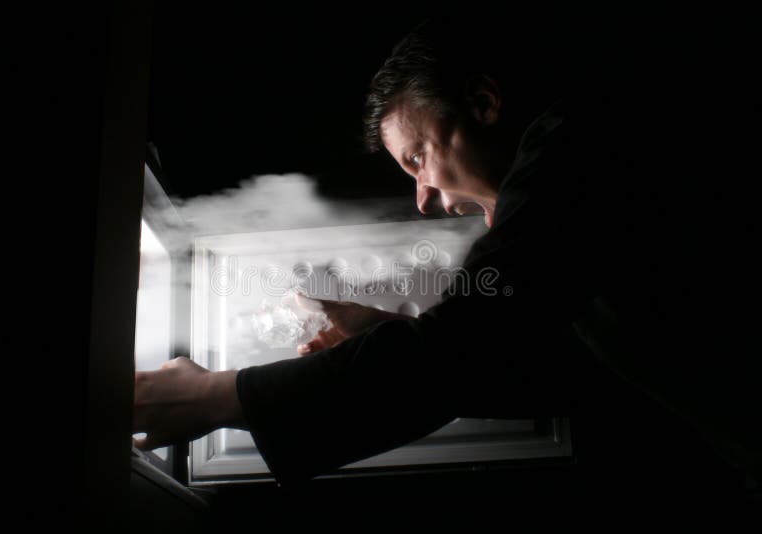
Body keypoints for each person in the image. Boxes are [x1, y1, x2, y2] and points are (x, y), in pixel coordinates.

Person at [133, 17, 760, 495]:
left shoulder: (579, 145)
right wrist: (391, 332)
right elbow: (542, 372)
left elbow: (461, 351)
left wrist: (221, 396)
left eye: (417, 159)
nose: (425, 198)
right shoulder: (580, 229)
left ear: (483, 103)